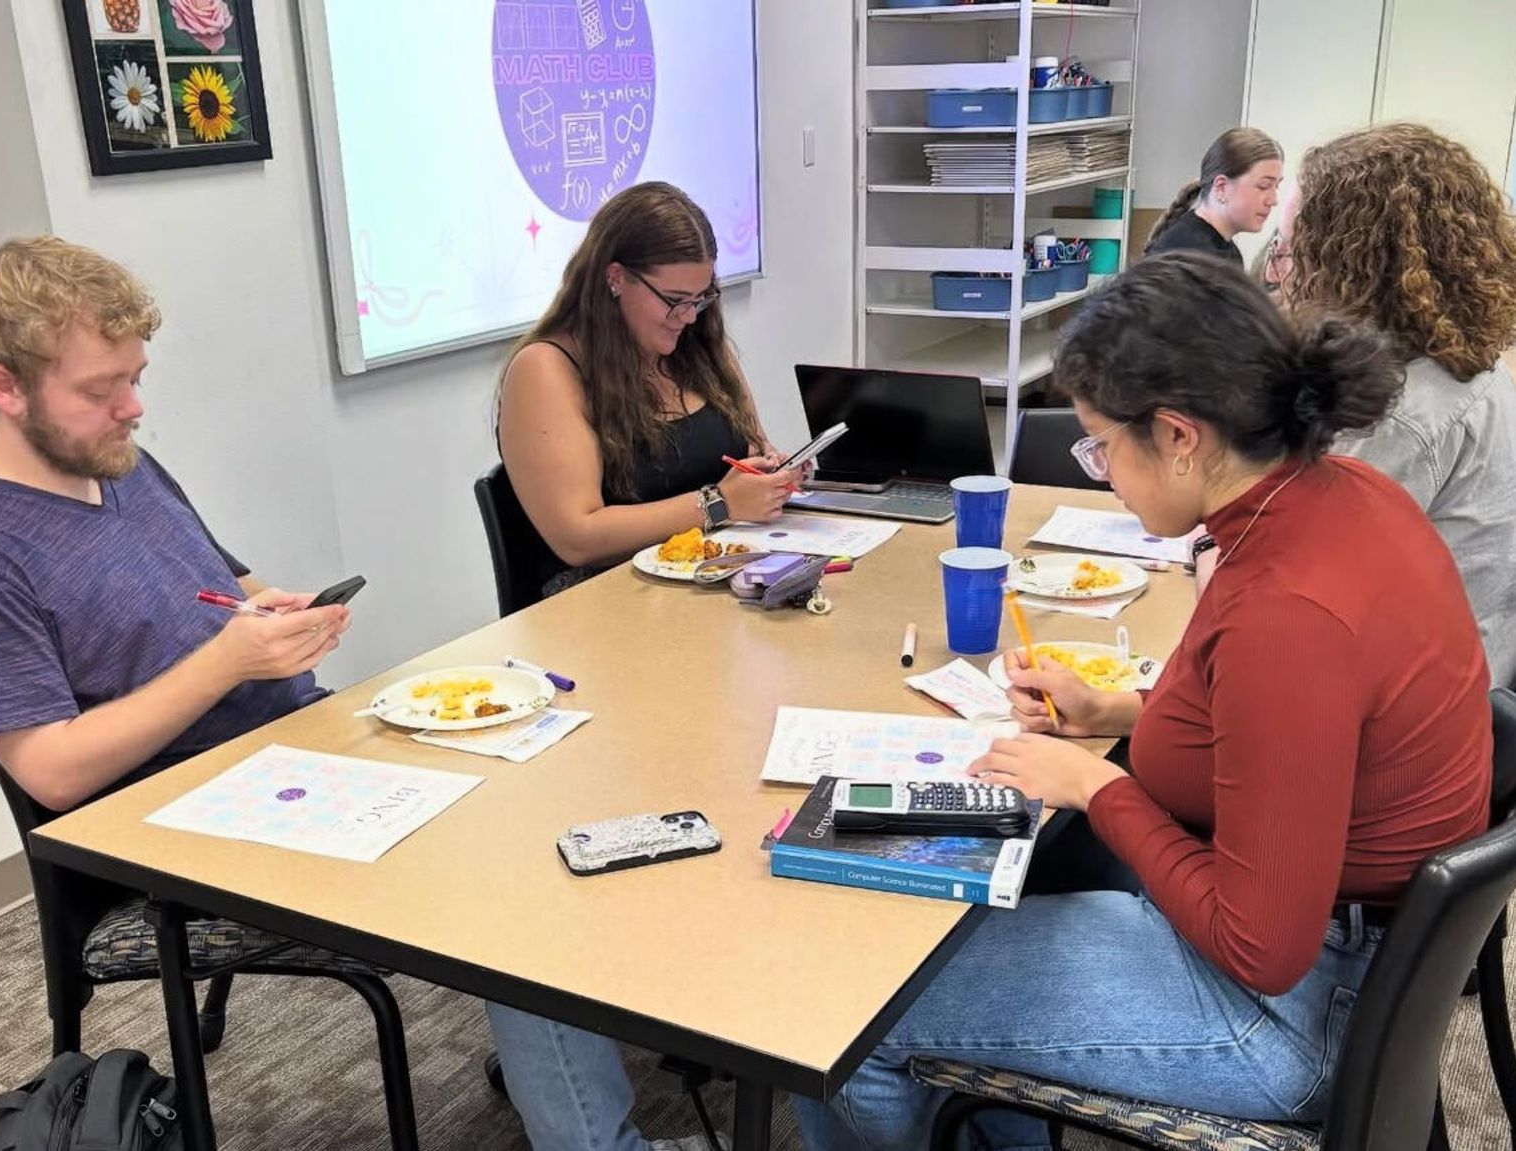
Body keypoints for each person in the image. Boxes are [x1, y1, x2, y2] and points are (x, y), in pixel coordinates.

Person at [794, 252, 1492, 1151]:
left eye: (1101, 445)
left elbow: (1260, 947)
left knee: (850, 1005)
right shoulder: (1341, 496)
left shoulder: (1289, 616)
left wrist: (1097, 785)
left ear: (1178, 434)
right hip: (1345, 943)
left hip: (1295, 1005)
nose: (1100, 472)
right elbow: (1278, 724)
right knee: (1002, 894)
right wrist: (1115, 714)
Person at [0, 236, 351, 814]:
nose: (132, 408)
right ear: (5, 388)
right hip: (182, 810)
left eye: (135, 379)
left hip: (289, 745)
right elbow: (51, 773)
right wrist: (228, 662)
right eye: (99, 390)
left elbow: (232, 590)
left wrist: (277, 616)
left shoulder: (115, 460)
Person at [1277, 121, 1516, 688]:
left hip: (1416, 707)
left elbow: (1294, 591)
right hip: (1462, 673)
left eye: (1291, 255)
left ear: (1345, 264)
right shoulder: (1465, 362)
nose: (1283, 279)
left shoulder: (1406, 414)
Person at [496, 181, 796, 598]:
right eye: (674, 300)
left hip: (713, 583)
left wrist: (772, 475)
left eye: (700, 298)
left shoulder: (696, 345)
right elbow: (577, 537)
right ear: (616, 278)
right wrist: (719, 504)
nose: (688, 317)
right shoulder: (546, 371)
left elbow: (752, 451)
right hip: (602, 603)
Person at [1143, 127, 1283, 264]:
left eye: (1276, 186)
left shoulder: (1227, 253)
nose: (1274, 200)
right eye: (1263, 186)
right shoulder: (1188, 257)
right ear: (1221, 187)